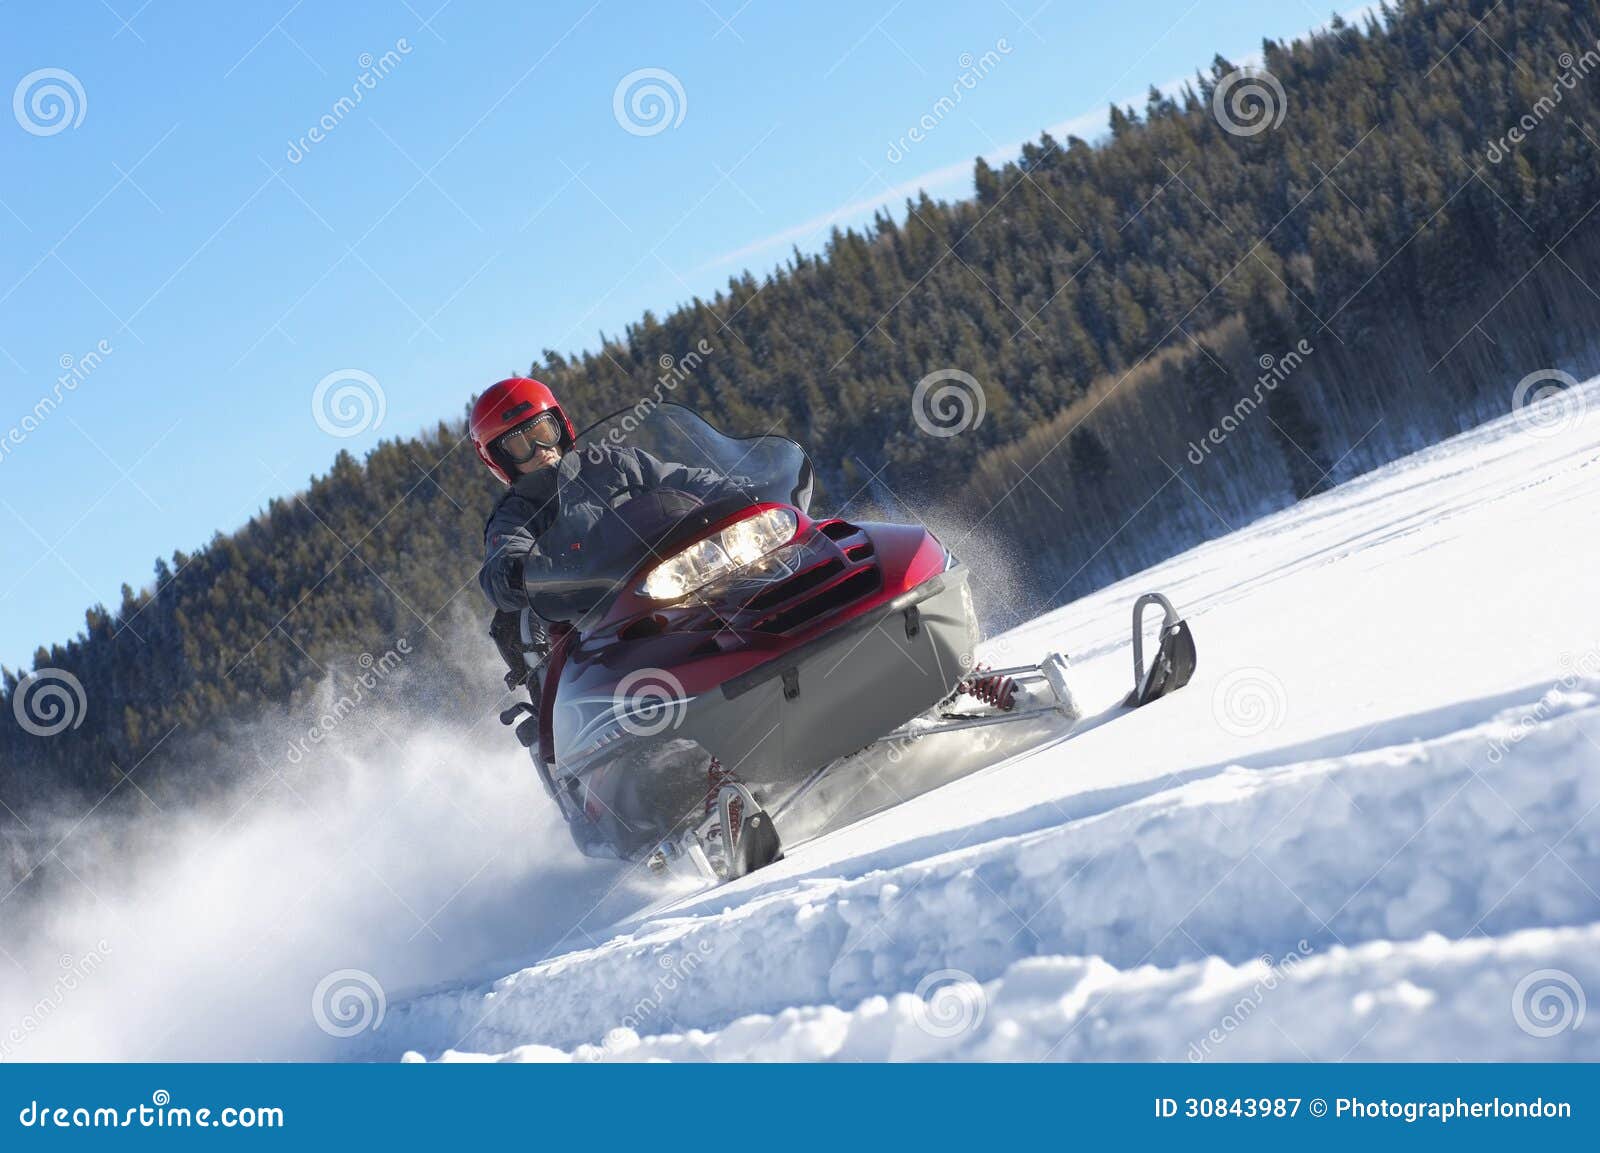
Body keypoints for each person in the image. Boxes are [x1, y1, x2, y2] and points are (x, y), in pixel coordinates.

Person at [471, 377, 726, 689]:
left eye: (542, 433)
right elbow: (502, 558)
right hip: (595, 623)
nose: (540, 450)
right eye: (521, 446)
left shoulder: (615, 462)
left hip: (675, 581)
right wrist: (517, 573)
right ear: (500, 460)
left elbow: (683, 480)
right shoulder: (515, 513)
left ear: (560, 427)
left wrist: (735, 489)